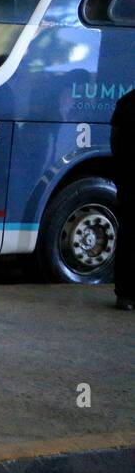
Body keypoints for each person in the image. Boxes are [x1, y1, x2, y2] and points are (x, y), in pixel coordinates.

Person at [113, 87, 133, 311]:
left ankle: (125, 294)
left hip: (128, 180)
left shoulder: (126, 101)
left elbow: (115, 141)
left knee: (127, 235)